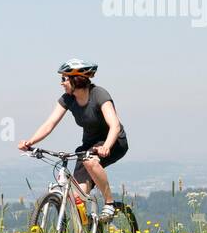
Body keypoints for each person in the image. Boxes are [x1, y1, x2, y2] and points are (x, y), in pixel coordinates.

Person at [17, 59, 128, 221]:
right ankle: (91, 228)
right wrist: (30, 142)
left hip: (114, 142)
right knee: (77, 196)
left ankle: (109, 204)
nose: (61, 83)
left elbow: (115, 125)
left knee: (90, 162)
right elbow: (50, 123)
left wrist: (106, 146)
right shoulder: (68, 99)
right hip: (88, 147)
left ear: (77, 79)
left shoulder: (99, 94)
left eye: (64, 79)